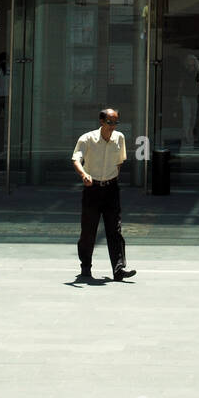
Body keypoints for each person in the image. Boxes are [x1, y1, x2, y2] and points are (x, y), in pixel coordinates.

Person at [71, 108, 136, 282]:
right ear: (101, 121)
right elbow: (76, 159)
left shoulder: (119, 138)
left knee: (115, 230)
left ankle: (119, 269)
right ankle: (85, 265)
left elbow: (119, 162)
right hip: (92, 188)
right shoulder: (87, 139)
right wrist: (84, 174)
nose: (113, 126)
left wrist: (112, 179)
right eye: (110, 122)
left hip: (111, 189)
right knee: (88, 230)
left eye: (116, 123)